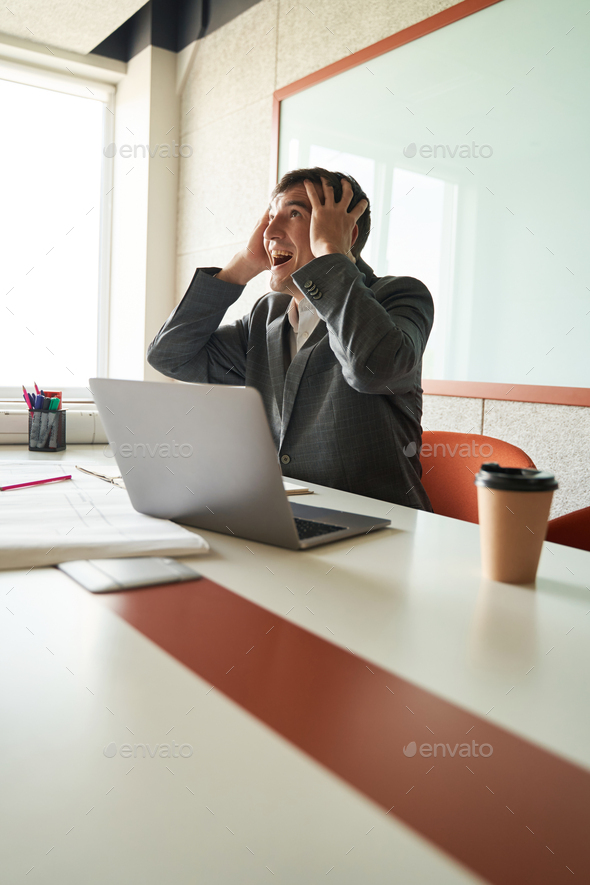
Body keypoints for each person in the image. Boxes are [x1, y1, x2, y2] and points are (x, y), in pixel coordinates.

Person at [147, 167, 434, 509]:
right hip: (285, 515)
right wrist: (242, 265)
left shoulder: (399, 295)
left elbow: (372, 370)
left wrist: (331, 256)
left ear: (345, 233)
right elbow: (171, 356)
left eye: (294, 213)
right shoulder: (268, 314)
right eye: (270, 217)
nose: (269, 231)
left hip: (381, 528)